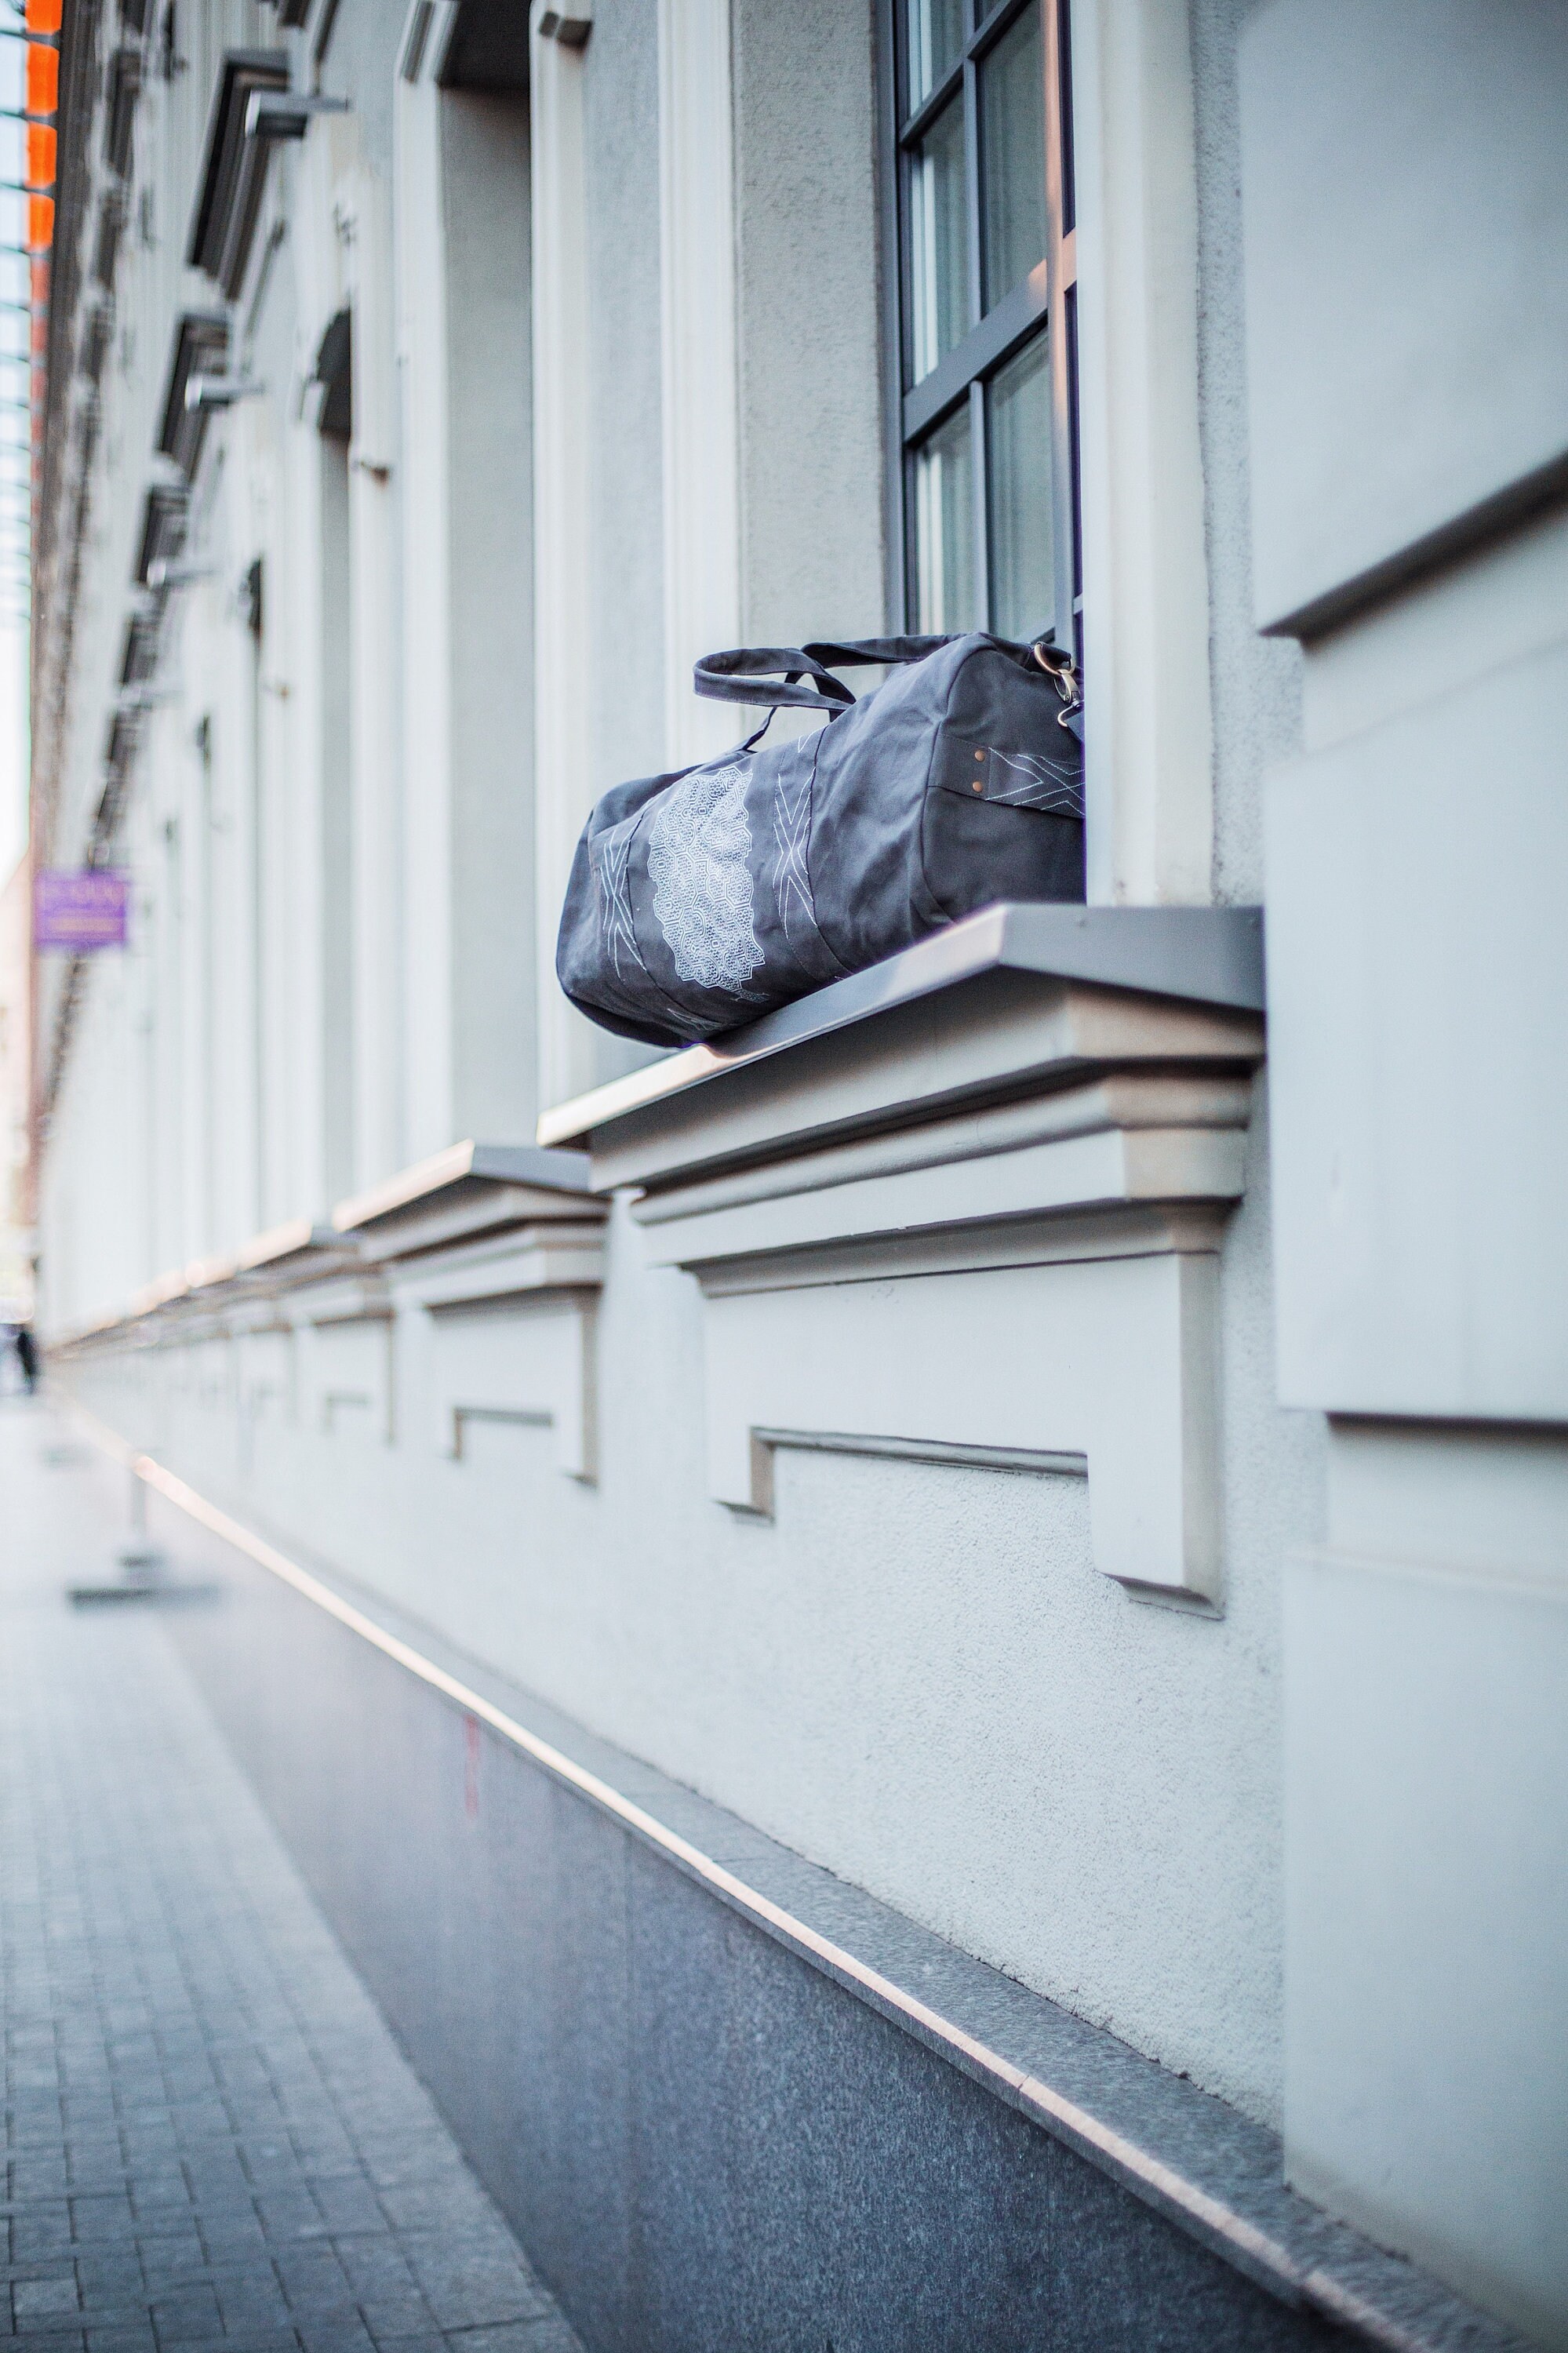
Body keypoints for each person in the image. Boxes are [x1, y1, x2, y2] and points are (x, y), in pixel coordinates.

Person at [14, 1324, 37, 1394]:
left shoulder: (24, 1336)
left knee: (28, 1372)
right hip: (27, 1357)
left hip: (27, 1358)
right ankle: (30, 1387)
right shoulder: (25, 1336)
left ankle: (30, 1386)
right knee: (28, 1372)